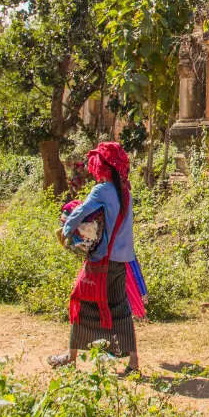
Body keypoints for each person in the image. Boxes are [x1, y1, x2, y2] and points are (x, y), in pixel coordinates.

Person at [49, 141, 147, 375]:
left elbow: (79, 213)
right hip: (122, 261)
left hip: (101, 261)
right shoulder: (126, 193)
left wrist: (65, 232)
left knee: (80, 302)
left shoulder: (101, 190)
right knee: (120, 310)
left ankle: (71, 357)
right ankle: (133, 363)